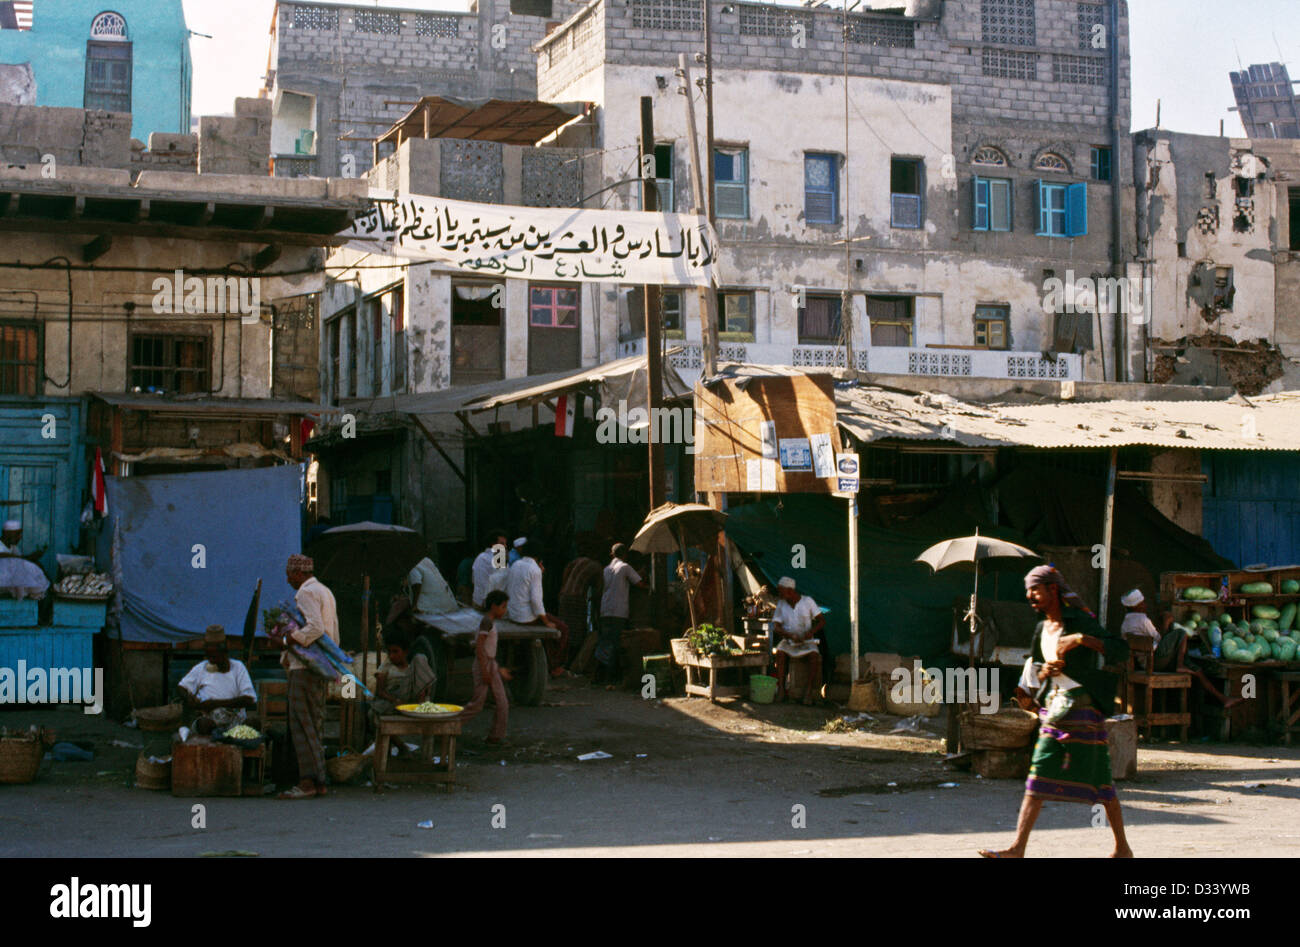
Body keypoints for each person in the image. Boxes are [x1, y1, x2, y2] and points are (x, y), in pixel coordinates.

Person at [980, 565, 1133, 858]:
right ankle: (1017, 849)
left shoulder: (1081, 622)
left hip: (1085, 712)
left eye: (1035, 589)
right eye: (1028, 590)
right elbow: (1036, 669)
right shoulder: (1040, 628)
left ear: (1053, 590)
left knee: (1102, 783)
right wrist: (1046, 671)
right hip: (1055, 710)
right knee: (1037, 777)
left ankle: (1122, 849)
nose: (1029, 595)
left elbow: (1120, 649)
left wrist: (1079, 640)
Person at [278, 554, 339, 800]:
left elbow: (315, 628)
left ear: (299, 573)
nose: (288, 578)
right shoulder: (325, 591)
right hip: (320, 667)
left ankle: (308, 781)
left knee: (302, 725)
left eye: (290, 574)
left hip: (304, 668)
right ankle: (319, 780)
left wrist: (287, 639)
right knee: (314, 723)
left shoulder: (306, 593)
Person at [1121, 589, 1241, 709]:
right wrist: (1166, 623)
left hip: (1146, 664)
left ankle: (1224, 699)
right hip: (1155, 660)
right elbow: (1158, 639)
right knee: (1181, 633)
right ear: (1136, 606)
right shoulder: (1142, 620)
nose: (1145, 605)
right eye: (1142, 603)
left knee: (1195, 669)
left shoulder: (1125, 623)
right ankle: (1180, 665)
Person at [178, 624, 257, 735]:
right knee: (204, 725)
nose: (212, 660)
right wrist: (189, 698)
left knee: (254, 723)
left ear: (224, 652)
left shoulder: (238, 667)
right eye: (209, 656)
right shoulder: (201, 668)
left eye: (215, 656)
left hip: (235, 720)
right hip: (210, 721)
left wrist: (215, 703)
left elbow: (249, 699)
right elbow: (182, 687)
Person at [506, 541, 570, 678]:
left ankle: (549, 663)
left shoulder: (515, 565)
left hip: (513, 614)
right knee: (563, 629)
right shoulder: (534, 569)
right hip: (526, 617)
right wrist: (546, 622)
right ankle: (556, 666)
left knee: (551, 625)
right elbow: (536, 601)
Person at [459, 589, 512, 744]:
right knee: (477, 704)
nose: (504, 610)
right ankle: (449, 726)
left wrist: (495, 668)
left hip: (490, 663)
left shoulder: (490, 622)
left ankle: (496, 735)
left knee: (502, 702)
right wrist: (485, 670)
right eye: (503, 607)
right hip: (484, 664)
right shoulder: (486, 622)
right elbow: (480, 648)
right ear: (494, 606)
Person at [595, 543, 647, 684]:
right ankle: (610, 679)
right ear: (625, 555)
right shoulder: (625, 567)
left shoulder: (606, 569)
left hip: (605, 610)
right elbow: (639, 584)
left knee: (604, 642)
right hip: (618, 611)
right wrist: (642, 576)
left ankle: (598, 676)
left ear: (612, 554)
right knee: (614, 643)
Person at [771, 576, 825, 705]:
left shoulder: (808, 601)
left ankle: (808, 692)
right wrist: (789, 635)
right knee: (780, 653)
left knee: (814, 656)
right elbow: (776, 627)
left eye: (781, 591)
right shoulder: (781, 604)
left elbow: (821, 621)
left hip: (806, 641)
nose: (779, 594)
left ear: (790, 591)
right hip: (789, 641)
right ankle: (781, 690)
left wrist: (809, 633)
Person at [371, 626, 436, 721]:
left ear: (406, 652)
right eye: (389, 652)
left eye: (395, 651)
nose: (391, 656)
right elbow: (380, 692)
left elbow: (424, 684)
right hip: (394, 701)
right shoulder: (386, 666)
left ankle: (421, 705)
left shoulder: (413, 668)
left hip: (411, 700)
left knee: (420, 658)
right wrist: (396, 701)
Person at [558, 545, 604, 659]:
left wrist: (563, 587)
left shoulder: (578, 561)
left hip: (564, 596)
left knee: (564, 627)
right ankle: (572, 659)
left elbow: (567, 569)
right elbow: (598, 592)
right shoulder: (598, 568)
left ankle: (562, 657)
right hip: (577, 599)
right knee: (576, 631)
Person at [471, 529, 510, 609]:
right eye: (502, 543)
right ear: (493, 544)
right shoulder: (498, 559)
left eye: (505, 544)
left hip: (477, 601)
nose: (505, 546)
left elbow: (473, 580)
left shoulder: (480, 557)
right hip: (490, 605)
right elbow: (504, 584)